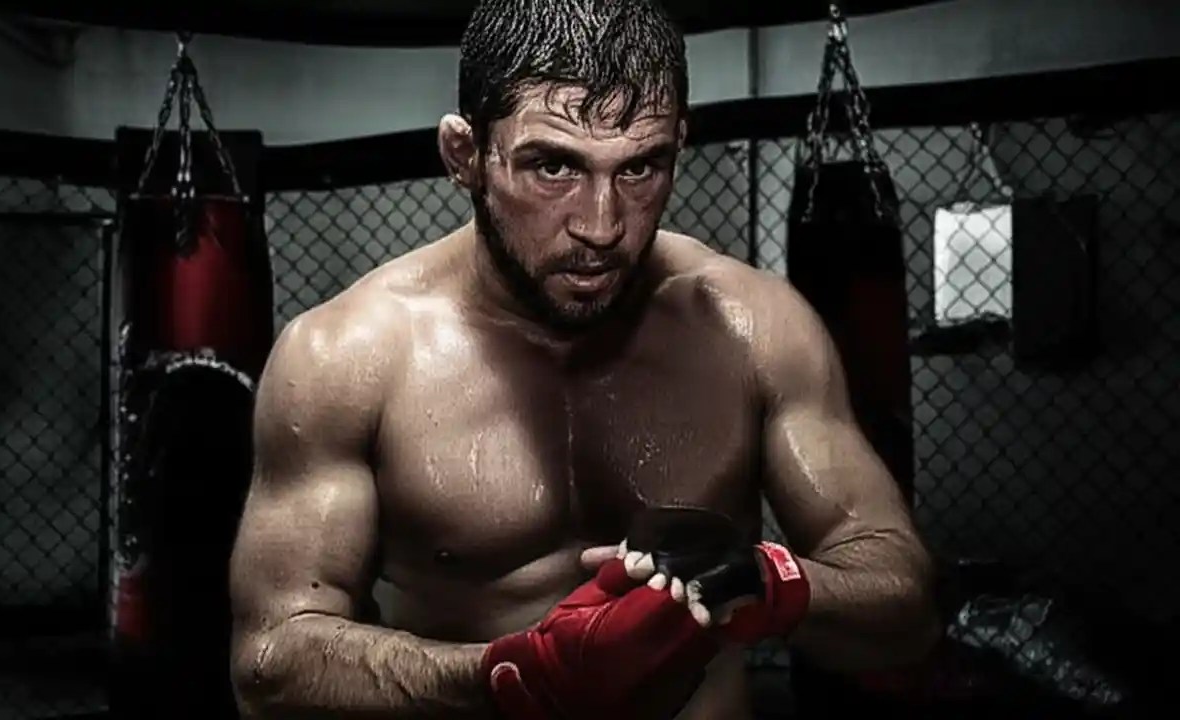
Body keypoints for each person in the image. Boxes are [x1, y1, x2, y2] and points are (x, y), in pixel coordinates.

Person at [227, 1, 940, 718]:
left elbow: (908, 611)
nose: (601, 225)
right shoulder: (348, 356)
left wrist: (774, 583)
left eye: (641, 168)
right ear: (465, 156)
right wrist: (515, 676)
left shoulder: (753, 328)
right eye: (553, 166)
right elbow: (269, 662)